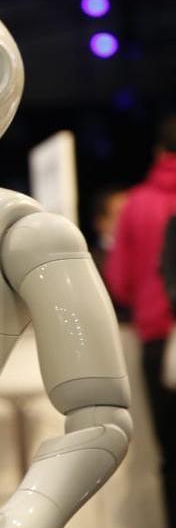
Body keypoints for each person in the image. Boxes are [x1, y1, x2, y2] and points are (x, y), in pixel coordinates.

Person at [105, 114, 176, 527]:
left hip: (159, 340)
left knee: (171, 455)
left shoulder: (136, 204)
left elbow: (119, 281)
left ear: (158, 152)